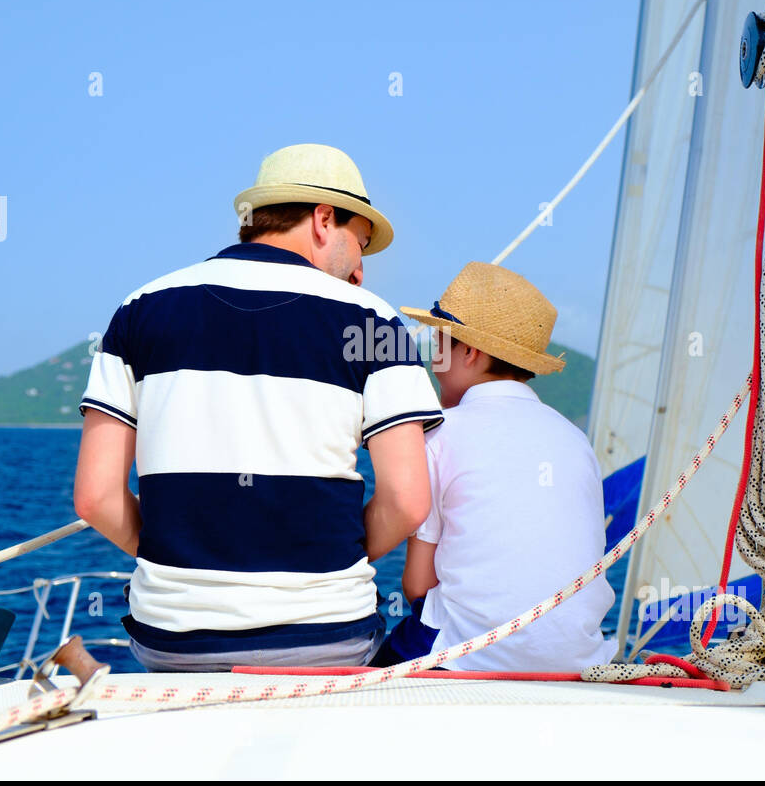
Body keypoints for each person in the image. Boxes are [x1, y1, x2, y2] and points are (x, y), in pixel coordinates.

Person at [74, 143, 442, 671]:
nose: (361, 271)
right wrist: (327, 570)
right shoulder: (371, 321)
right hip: (325, 635)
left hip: (174, 638)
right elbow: (407, 502)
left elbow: (94, 498)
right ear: (322, 220)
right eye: (359, 243)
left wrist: (183, 563)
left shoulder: (140, 310)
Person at [372, 261, 616, 671]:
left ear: (469, 352)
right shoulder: (575, 439)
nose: (432, 362)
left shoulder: (440, 433)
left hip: (468, 653)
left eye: (439, 344)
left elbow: (416, 585)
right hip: (577, 658)